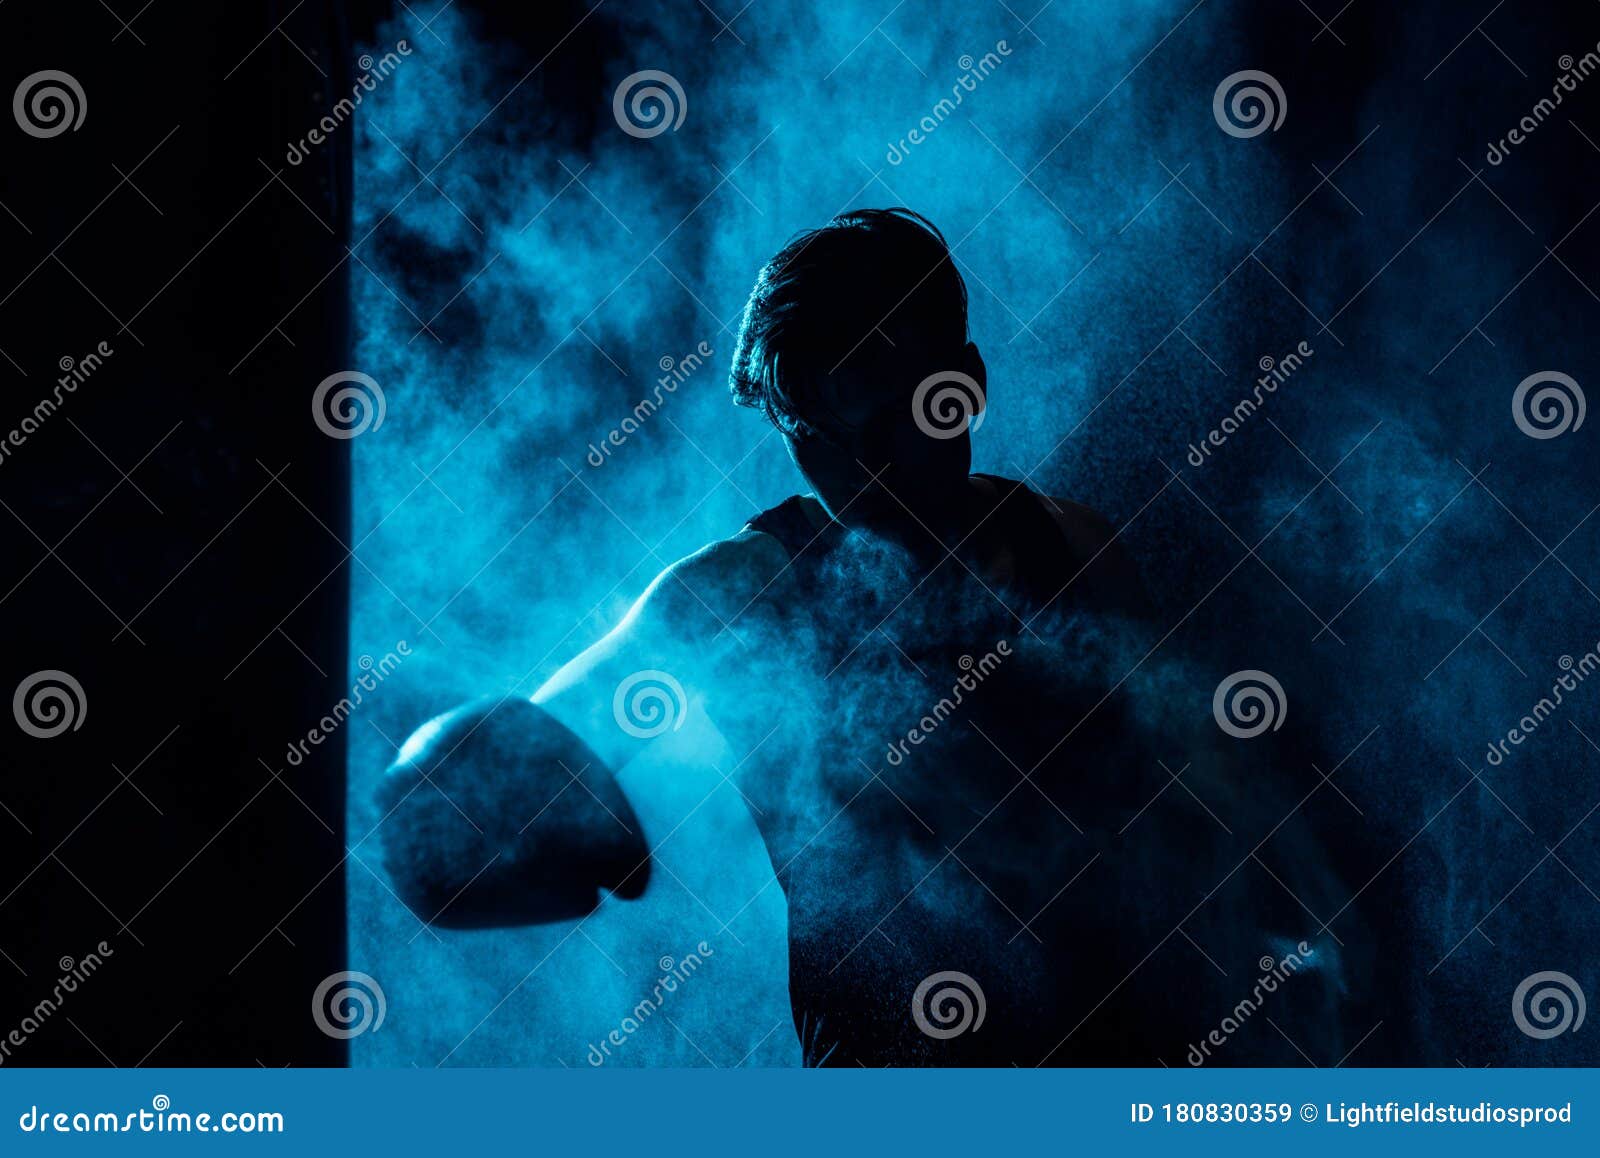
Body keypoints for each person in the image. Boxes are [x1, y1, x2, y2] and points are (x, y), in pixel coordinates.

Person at [378, 209, 1351, 1065]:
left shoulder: (1069, 547)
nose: (863, 466)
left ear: (961, 384)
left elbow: (1221, 797)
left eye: (892, 416)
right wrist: (472, 807)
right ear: (789, 422)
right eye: (817, 429)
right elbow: (462, 802)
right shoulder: (744, 592)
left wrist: (1292, 957)